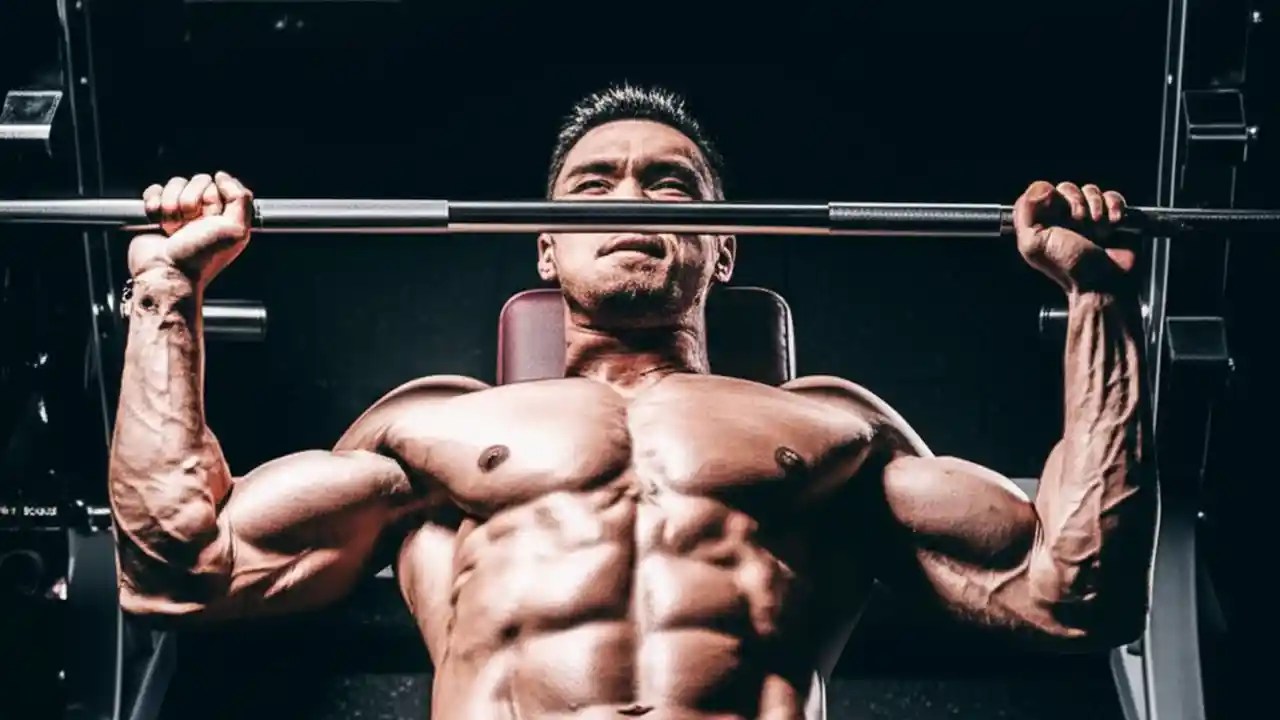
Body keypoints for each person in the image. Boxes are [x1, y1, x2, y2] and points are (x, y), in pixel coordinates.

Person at [108, 84, 1156, 720]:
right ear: (545, 245)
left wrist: (1097, 298)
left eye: (670, 186)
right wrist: (165, 292)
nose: (631, 201)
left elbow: (1068, 594)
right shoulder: (429, 425)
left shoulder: (834, 426)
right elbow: (179, 570)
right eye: (593, 185)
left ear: (723, 245)